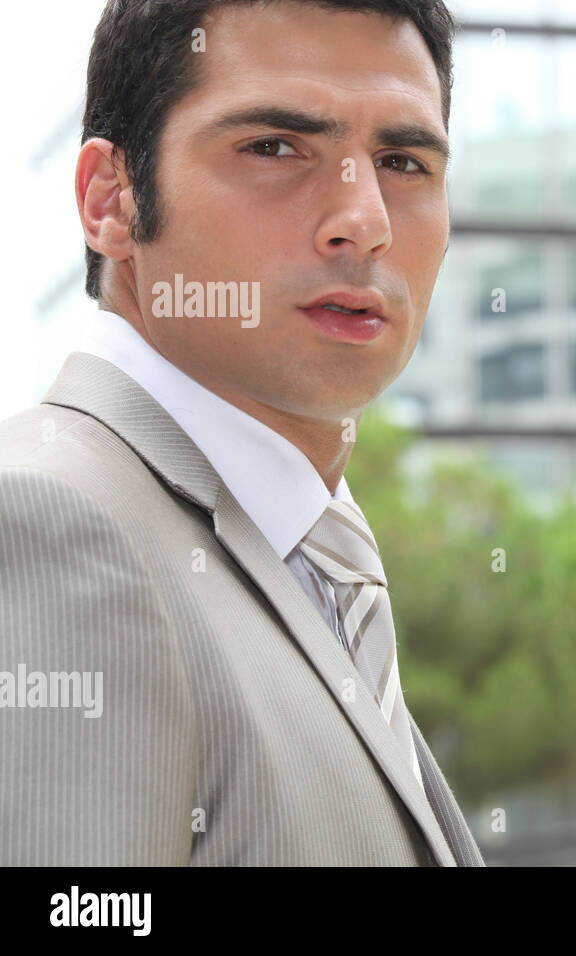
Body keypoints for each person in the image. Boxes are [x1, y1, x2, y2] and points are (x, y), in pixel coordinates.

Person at [0, 0, 482, 866]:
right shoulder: (48, 527)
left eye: (403, 161)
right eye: (274, 147)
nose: (363, 219)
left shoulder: (303, 550)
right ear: (112, 199)